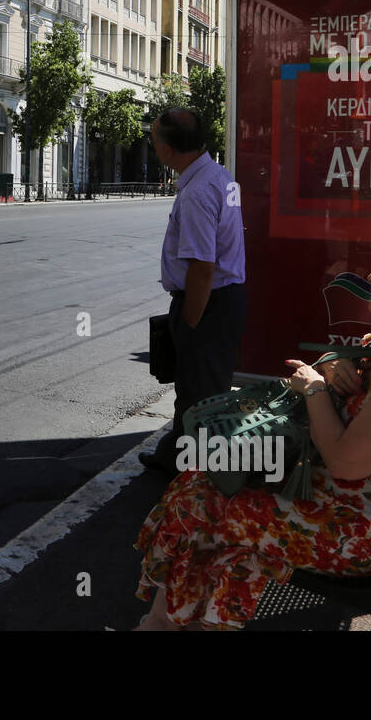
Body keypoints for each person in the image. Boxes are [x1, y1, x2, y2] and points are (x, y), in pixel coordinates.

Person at [132, 221, 371, 630]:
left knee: (200, 502)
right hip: (340, 501)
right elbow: (336, 368)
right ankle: (172, 621)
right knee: (205, 490)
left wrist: (314, 390)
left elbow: (344, 461)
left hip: (358, 527)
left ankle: (162, 622)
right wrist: (334, 366)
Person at [139, 108, 247, 476]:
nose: (154, 148)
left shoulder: (198, 191)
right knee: (199, 391)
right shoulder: (218, 177)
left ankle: (198, 479)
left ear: (168, 149)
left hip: (207, 305)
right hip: (222, 301)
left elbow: (202, 268)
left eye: (155, 141)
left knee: (201, 393)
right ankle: (178, 457)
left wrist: (188, 324)